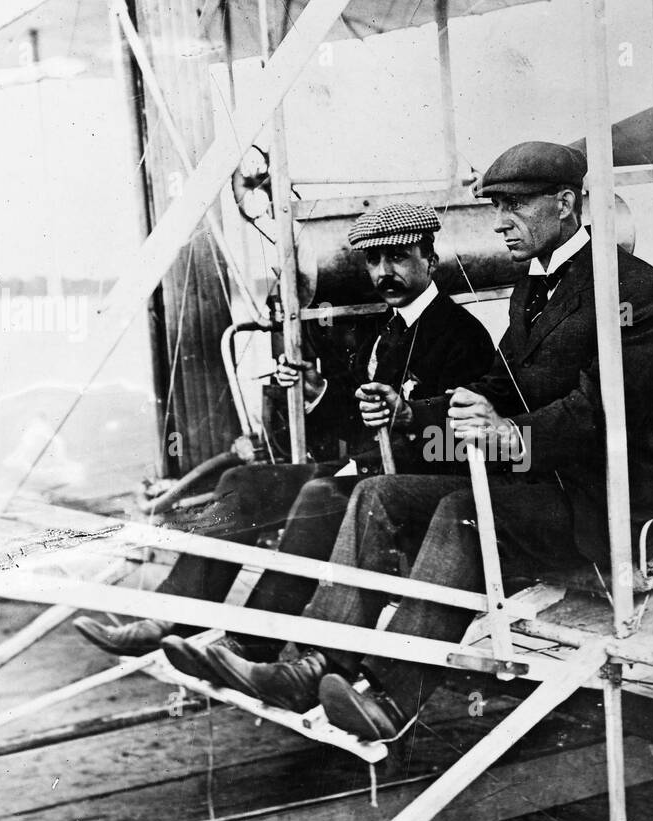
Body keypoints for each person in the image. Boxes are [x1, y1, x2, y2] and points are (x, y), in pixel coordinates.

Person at [197, 141, 653, 738]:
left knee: (460, 509)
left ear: (564, 203)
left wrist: (506, 436)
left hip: (603, 497)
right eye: (496, 205)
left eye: (514, 205)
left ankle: (394, 699)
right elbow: (502, 382)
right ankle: (315, 662)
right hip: (537, 485)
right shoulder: (534, 285)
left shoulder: (637, 291)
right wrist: (409, 412)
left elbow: (602, 412)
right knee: (379, 493)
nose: (501, 220)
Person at [72, 203, 494, 666]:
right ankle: (172, 614)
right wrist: (319, 391)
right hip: (361, 468)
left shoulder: (462, 336)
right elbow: (351, 422)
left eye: (398, 257)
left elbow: (457, 442)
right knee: (246, 481)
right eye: (374, 261)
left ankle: (250, 643)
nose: (383, 272)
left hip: (407, 486)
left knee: (320, 494)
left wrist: (405, 418)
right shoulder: (383, 331)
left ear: (429, 260)